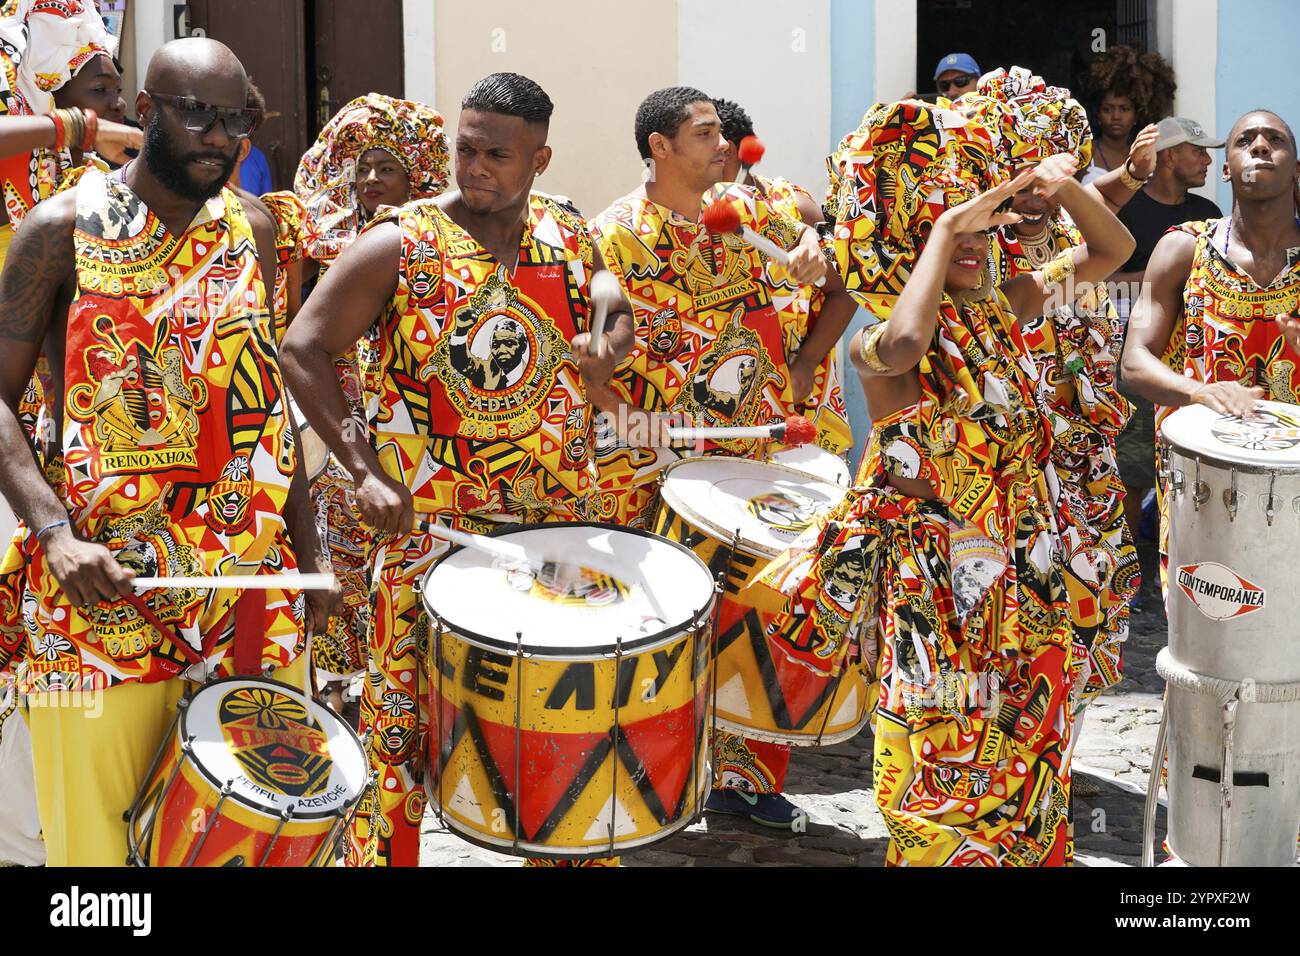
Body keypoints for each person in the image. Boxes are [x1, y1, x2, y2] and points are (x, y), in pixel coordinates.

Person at [761, 97, 1135, 865]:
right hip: (937, 597)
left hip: (1027, 579)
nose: (973, 247)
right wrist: (943, 229)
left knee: (1028, 762)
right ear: (913, 246)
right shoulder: (875, 347)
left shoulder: (1008, 306)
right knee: (941, 766)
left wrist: (1055, 183)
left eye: (982, 233)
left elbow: (1112, 247)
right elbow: (906, 341)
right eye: (952, 236)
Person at [281, 72, 633, 867]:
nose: (474, 168)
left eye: (496, 156)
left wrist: (610, 336)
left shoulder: (566, 231)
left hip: (552, 535)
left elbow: (610, 294)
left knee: (564, 732)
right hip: (430, 537)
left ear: (539, 160)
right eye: (464, 150)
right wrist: (364, 471)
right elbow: (304, 347)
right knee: (400, 738)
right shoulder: (399, 243)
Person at [0, 36, 336, 867]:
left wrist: (314, 552)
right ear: (145, 111)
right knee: (97, 855)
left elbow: (267, 407)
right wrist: (53, 534)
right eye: (197, 115)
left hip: (247, 592)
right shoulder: (60, 230)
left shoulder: (256, 229)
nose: (219, 137)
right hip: (104, 592)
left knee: (253, 840)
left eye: (236, 120)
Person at [584, 86, 844, 830]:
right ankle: (650, 783)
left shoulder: (755, 212)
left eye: (723, 133)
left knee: (752, 614)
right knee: (657, 624)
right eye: (705, 134)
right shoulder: (610, 237)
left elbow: (843, 275)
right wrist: (632, 425)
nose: (723, 144)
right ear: (659, 147)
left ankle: (745, 780)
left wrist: (815, 260)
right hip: (652, 466)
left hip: (754, 458)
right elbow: (588, 362)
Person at [973, 67, 1143, 723]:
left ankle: (1054, 749)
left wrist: (1067, 182)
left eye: (1042, 168)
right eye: (1016, 170)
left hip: (1078, 459)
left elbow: (1112, 238)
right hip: (1001, 466)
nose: (1031, 187)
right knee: (1007, 621)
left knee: (1085, 610)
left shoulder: (1074, 235)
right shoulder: (971, 251)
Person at [290, 93, 450, 712]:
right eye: (363, 168)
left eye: (388, 167)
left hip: (407, 429)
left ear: (417, 176)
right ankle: (339, 684)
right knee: (338, 534)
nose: (371, 179)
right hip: (342, 425)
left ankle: (400, 681)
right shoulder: (327, 247)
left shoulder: (428, 250)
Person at [1120, 108, 1300, 596]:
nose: (1259, 146)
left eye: (1275, 140)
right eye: (1245, 140)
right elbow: (1134, 361)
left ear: (1296, 169)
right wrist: (1199, 392)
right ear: (1225, 170)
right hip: (1201, 484)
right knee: (1209, 630)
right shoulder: (1184, 249)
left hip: (1294, 488)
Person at [713, 96, 855, 457]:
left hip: (801, 388)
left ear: (731, 151)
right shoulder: (700, 211)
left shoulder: (793, 206)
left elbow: (845, 290)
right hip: (734, 397)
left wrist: (806, 362)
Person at [1110, 116, 1224, 549]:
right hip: (1138, 355)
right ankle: (1128, 568)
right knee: (1132, 468)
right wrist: (1161, 276)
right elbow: (1096, 278)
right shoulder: (1129, 209)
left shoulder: (1209, 214)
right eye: (1198, 151)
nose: (1207, 161)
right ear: (1170, 155)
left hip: (1194, 363)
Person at [1080, 45, 1175, 184]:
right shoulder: (1085, 153)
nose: (1116, 116)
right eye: (1107, 109)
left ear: (1138, 114)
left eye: (1124, 109)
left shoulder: (1146, 154)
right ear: (1097, 113)